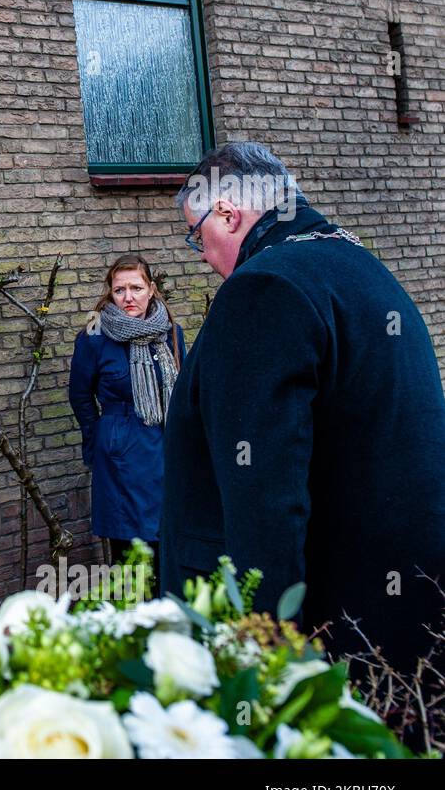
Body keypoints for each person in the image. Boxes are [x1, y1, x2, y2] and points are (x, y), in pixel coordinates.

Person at [161, 141, 445, 673]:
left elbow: (265, 497)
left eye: (195, 235)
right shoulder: (361, 270)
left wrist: (262, 651)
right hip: (401, 619)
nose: (201, 254)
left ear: (227, 212)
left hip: (331, 637)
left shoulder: (266, 288)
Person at [69, 254, 185, 594]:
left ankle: (170, 621)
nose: (128, 297)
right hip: (121, 451)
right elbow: (80, 395)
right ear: (110, 293)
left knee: (167, 537)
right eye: (119, 290)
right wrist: (100, 439)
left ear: (151, 289)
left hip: (166, 446)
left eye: (136, 287)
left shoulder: (171, 332)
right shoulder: (95, 337)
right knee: (131, 548)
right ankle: (135, 626)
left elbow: (184, 390)